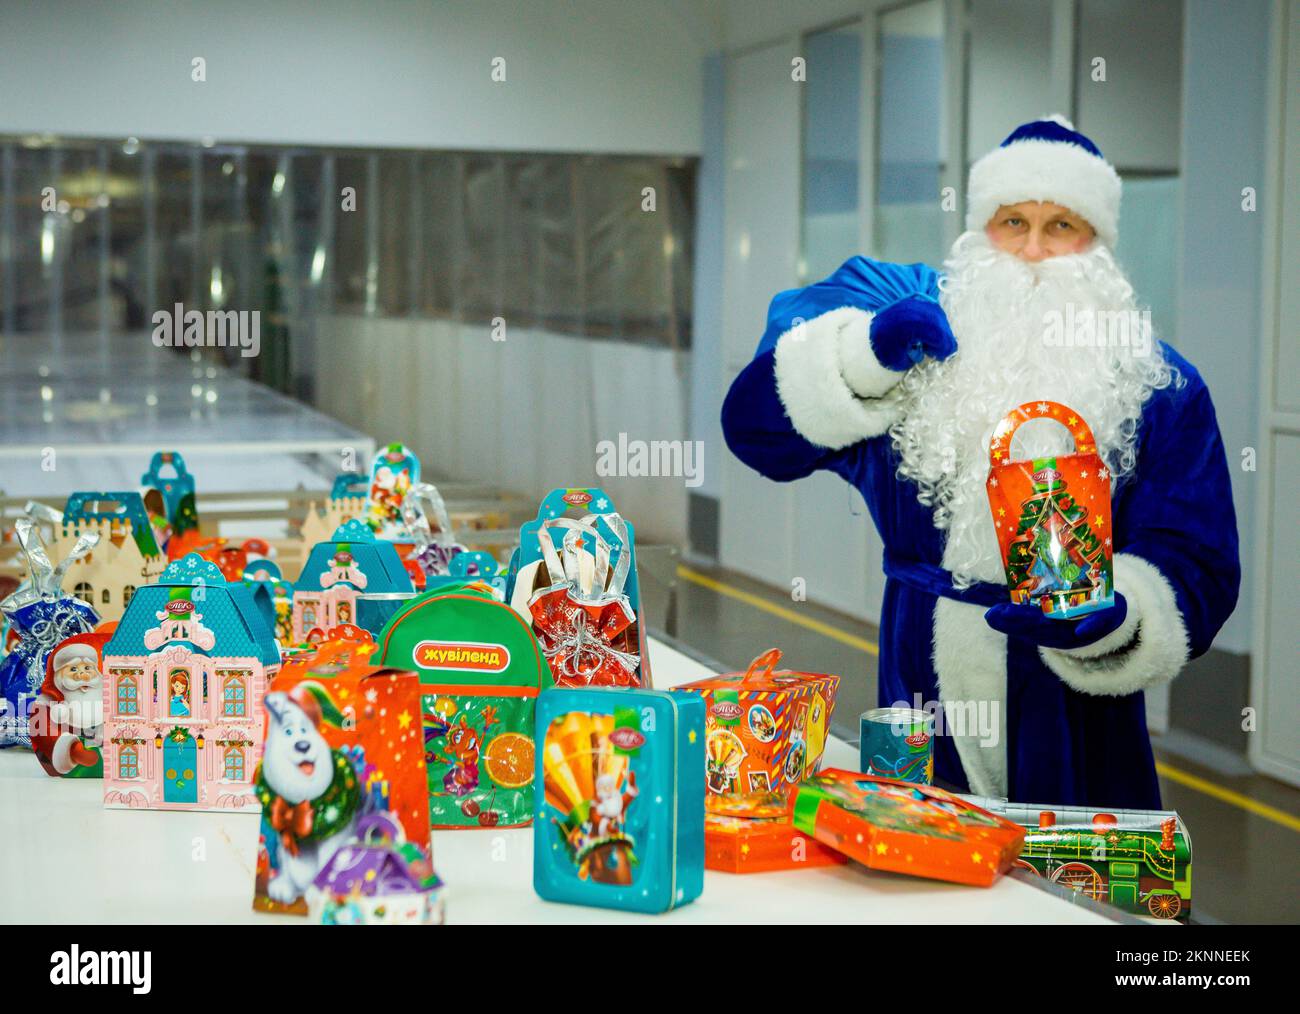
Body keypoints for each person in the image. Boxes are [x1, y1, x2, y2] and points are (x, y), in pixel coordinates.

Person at [721, 116, 1239, 808]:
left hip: (1073, 707)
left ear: (1096, 244)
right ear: (980, 230)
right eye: (1012, 221)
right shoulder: (918, 350)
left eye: (1061, 227)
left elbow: (1197, 559)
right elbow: (759, 435)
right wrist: (864, 356)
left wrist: (1115, 620)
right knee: (918, 873)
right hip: (919, 689)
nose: (1031, 249)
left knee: (1065, 896)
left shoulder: (1159, 384)